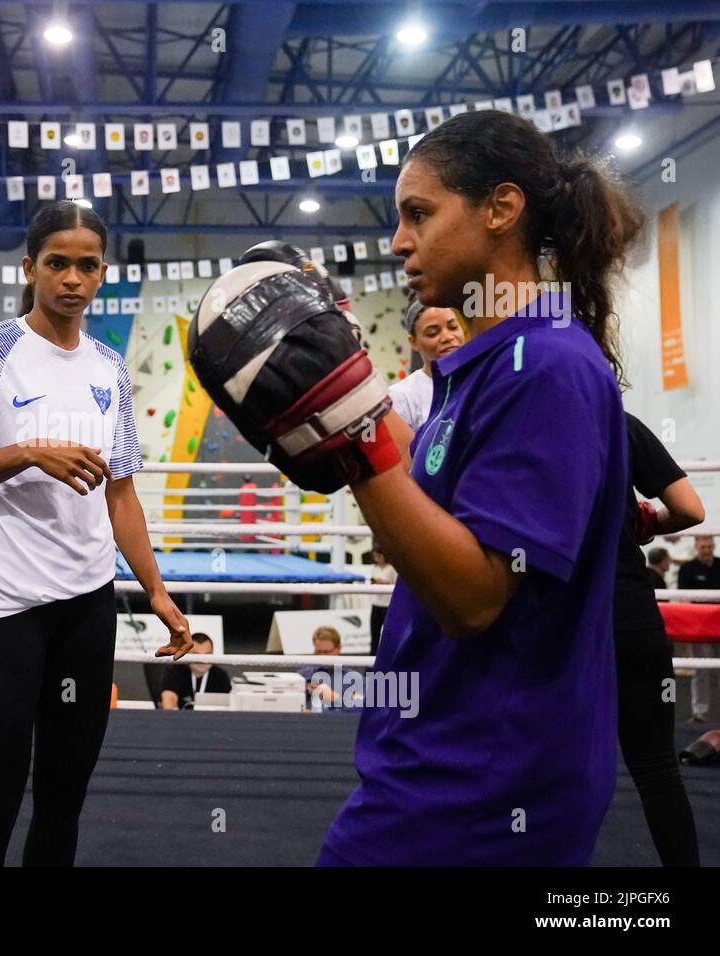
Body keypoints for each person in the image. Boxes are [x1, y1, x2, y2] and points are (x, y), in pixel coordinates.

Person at [191, 108, 641, 865]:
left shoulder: (548, 369)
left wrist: (352, 431)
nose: (399, 241)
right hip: (445, 756)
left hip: (484, 783)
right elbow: (423, 515)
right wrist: (345, 413)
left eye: (419, 214)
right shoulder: (486, 368)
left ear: (501, 209)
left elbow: (474, 598)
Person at [0, 199, 192, 867]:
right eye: (57, 264)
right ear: (30, 267)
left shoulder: (109, 367)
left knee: (63, 802)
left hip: (88, 612)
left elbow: (121, 490)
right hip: (5, 612)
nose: (72, 278)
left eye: (87, 266)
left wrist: (155, 590)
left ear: (102, 275)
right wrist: (26, 452)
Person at [613, 412, 702, 866]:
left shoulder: (508, 415)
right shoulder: (619, 422)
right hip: (629, 614)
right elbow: (690, 509)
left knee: (545, 770)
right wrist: (645, 519)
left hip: (557, 625)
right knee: (657, 769)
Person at [387, 298, 465, 432]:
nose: (447, 337)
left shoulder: (483, 377)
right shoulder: (403, 396)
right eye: (433, 333)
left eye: (453, 327)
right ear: (413, 342)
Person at [678, 535, 720, 723]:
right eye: (703, 547)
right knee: (702, 671)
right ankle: (700, 712)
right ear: (696, 547)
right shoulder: (687, 569)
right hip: (700, 625)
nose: (707, 550)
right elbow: (683, 599)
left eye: (710, 546)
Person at [159, 633, 231, 709]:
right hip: (181, 718)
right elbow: (169, 704)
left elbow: (227, 708)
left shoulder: (220, 676)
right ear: (186, 653)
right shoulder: (174, 672)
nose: (202, 660)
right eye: (196, 655)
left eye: (207, 654)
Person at [368, 544, 396, 653]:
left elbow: (396, 584)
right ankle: (372, 657)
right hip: (376, 604)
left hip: (387, 604)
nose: (377, 559)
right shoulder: (373, 568)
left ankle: (388, 655)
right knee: (374, 633)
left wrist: (385, 583)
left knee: (388, 633)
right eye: (375, 556)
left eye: (378, 556)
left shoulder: (392, 568)